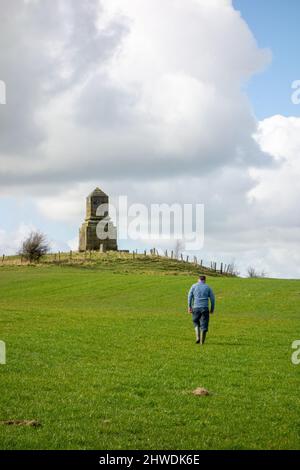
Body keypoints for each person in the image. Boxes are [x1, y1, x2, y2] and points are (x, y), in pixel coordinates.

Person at [188, 275, 215, 345]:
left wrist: (189, 307)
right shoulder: (208, 287)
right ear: (205, 280)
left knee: (195, 321)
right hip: (205, 308)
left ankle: (197, 337)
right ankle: (202, 342)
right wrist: (212, 308)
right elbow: (212, 299)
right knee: (204, 324)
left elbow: (189, 296)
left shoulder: (193, 286)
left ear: (198, 280)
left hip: (196, 307)